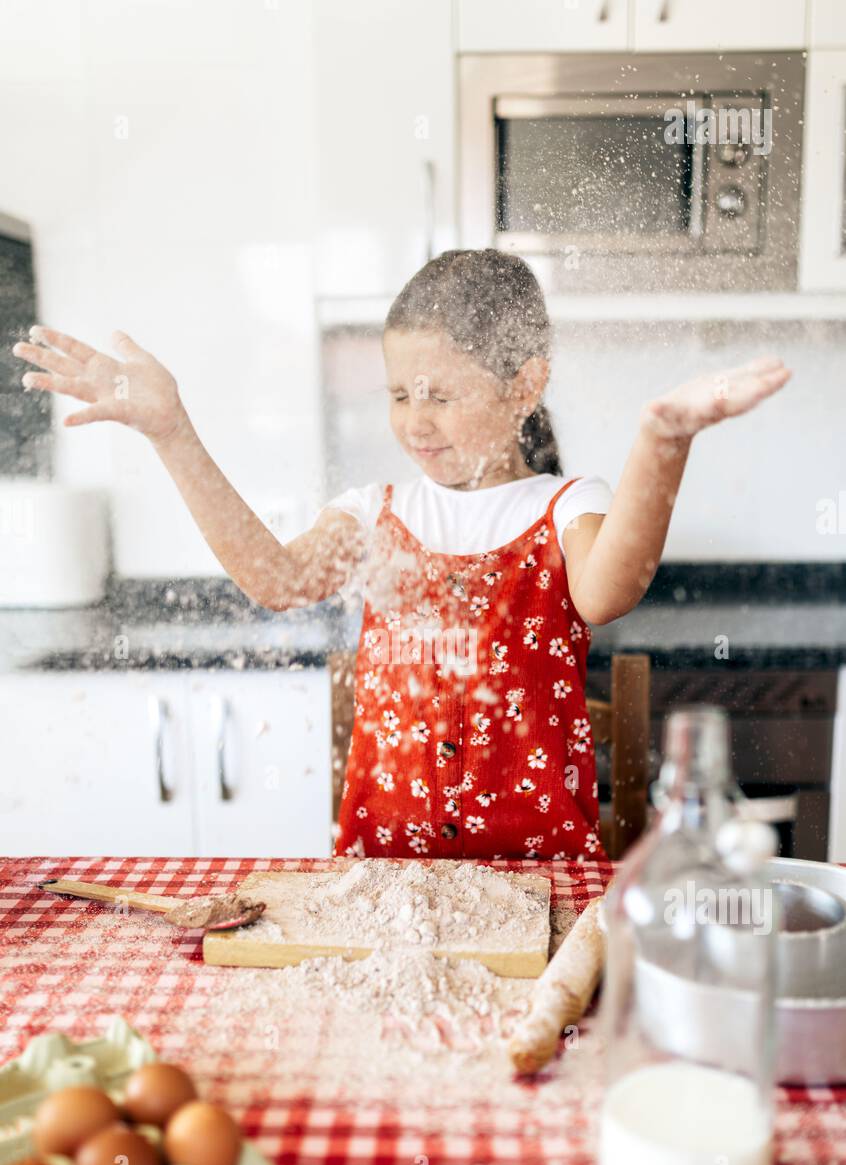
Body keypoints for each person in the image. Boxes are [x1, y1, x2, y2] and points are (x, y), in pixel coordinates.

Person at [13, 249, 790, 863]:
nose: (416, 422)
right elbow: (276, 580)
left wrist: (663, 441)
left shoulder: (567, 505)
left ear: (525, 386)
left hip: (540, 874)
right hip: (385, 876)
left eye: (440, 396)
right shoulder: (375, 512)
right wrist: (170, 430)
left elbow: (606, 592)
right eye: (398, 395)